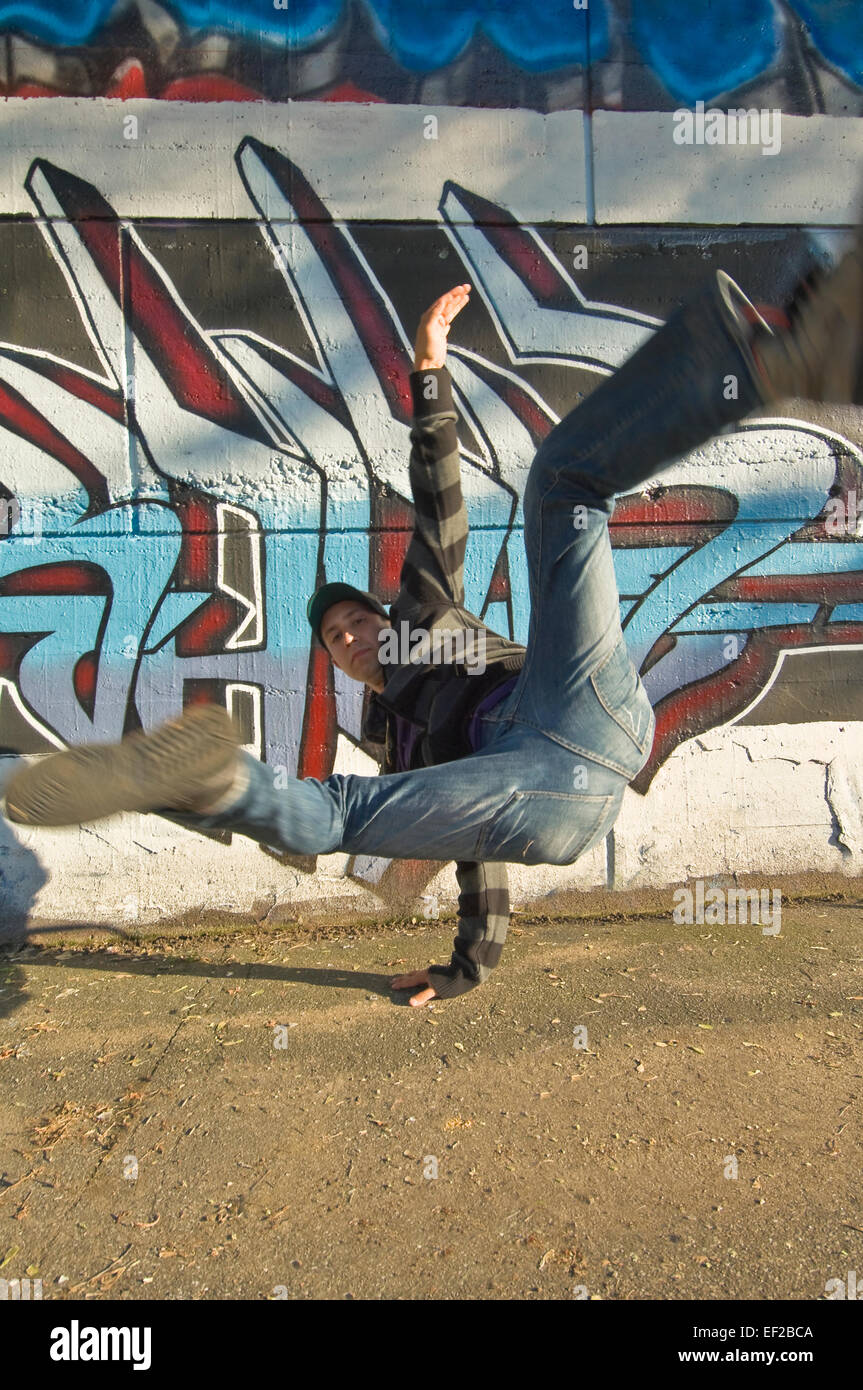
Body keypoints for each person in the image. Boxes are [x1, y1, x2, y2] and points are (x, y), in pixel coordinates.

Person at [5, 243, 862, 1006]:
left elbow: (438, 496)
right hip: (540, 797)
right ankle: (210, 786)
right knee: (334, 812)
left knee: (562, 485)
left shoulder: (426, 614)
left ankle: (764, 358)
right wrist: (463, 970)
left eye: (358, 621)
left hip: (571, 701)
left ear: (386, 619)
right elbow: (473, 856)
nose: (352, 637)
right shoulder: (395, 740)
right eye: (336, 640)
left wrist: (428, 373)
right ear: (338, 665)